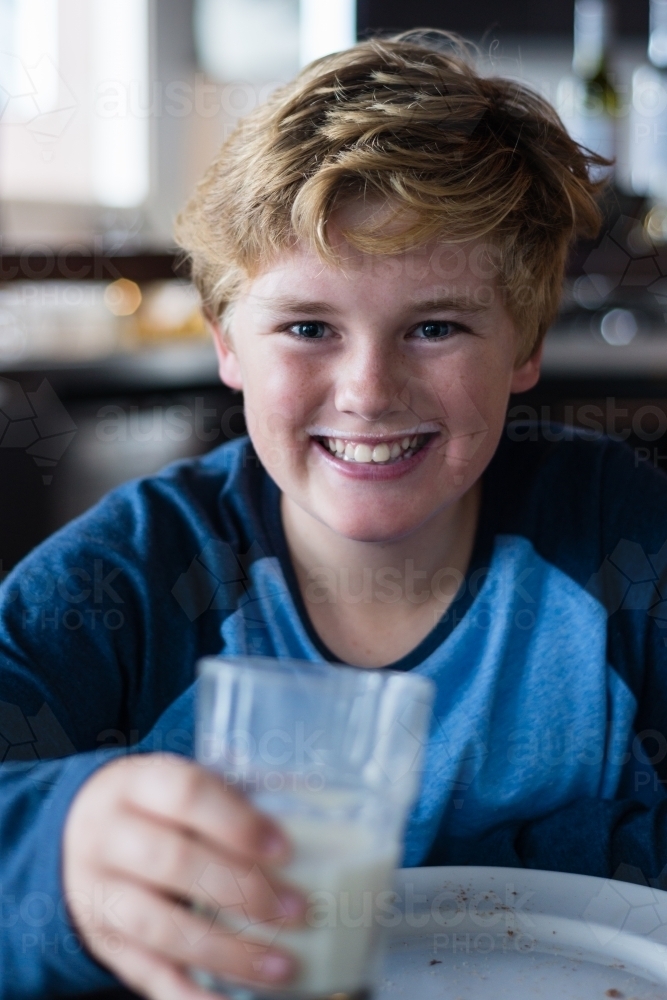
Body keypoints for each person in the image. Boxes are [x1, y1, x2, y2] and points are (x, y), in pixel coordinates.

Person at [1, 30, 665, 1000]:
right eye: (308, 327)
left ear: (523, 339)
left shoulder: (623, 542)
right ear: (227, 340)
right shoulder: (128, 578)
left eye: (434, 326)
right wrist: (58, 850)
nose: (366, 390)